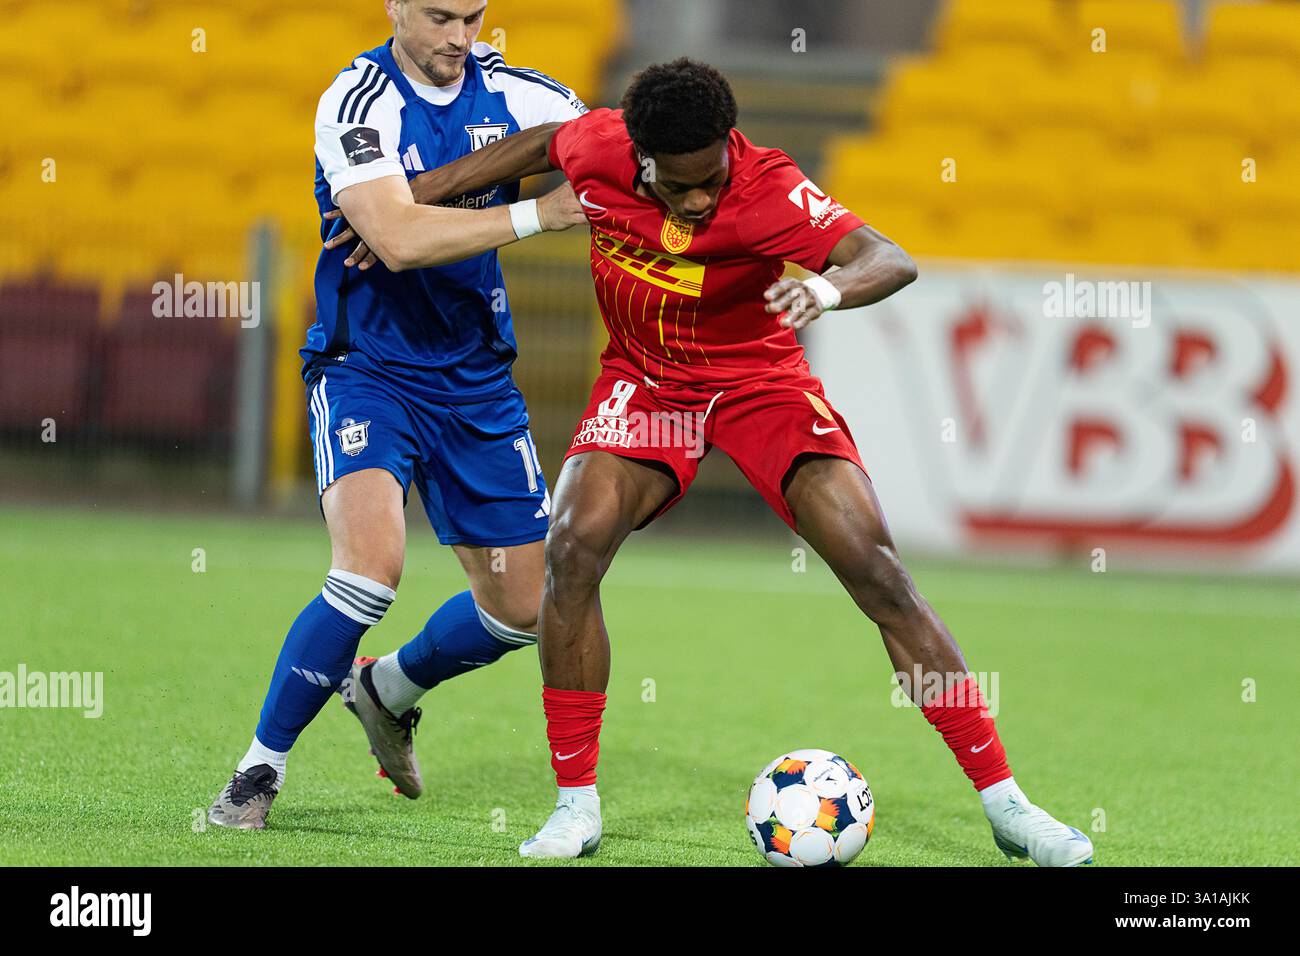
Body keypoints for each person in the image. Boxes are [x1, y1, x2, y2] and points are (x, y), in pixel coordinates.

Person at [330, 56, 1094, 868]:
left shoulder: (768, 185)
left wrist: (829, 292)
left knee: (875, 569)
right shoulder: (602, 146)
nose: (699, 199)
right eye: (678, 185)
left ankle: (1009, 807)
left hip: (759, 382)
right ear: (640, 157)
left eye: (711, 179)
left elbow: (887, 258)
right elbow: (543, 143)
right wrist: (419, 196)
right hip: (645, 384)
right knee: (572, 547)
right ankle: (575, 807)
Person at [207, 0, 587, 829]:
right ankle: (256, 774)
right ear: (396, 8)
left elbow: (612, 150)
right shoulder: (356, 98)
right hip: (367, 370)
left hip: (477, 381)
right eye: (442, 17)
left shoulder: (522, 95)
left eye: (476, 17)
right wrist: (538, 211)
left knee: (525, 609)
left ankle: (387, 688)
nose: (461, 37)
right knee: (369, 568)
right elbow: (396, 237)